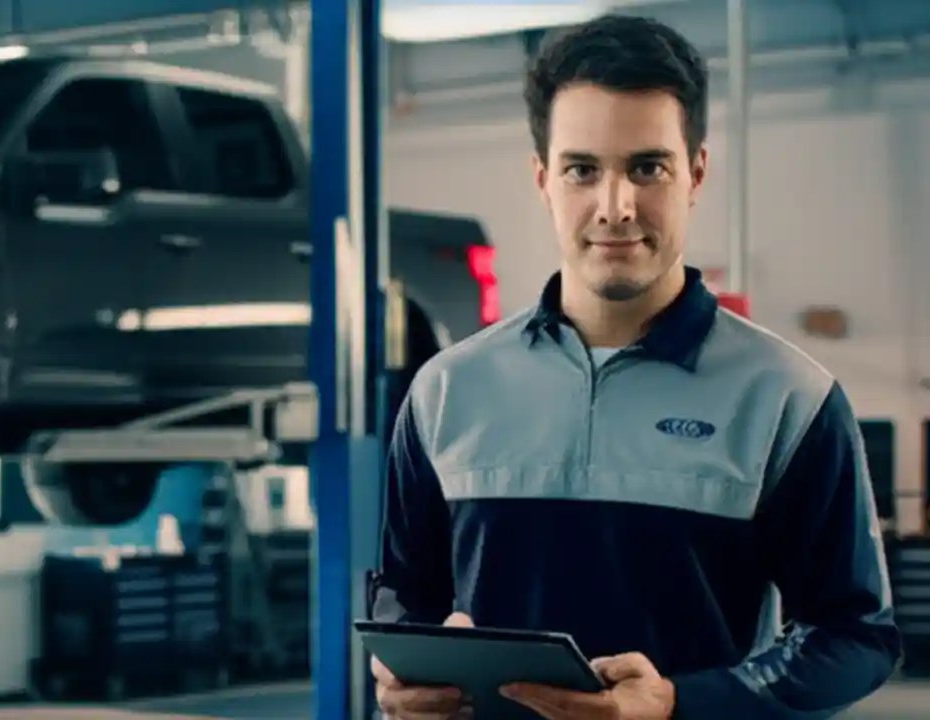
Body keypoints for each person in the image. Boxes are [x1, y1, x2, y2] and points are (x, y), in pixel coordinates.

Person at [369, 13, 902, 720]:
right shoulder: (444, 391)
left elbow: (854, 637)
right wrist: (405, 671)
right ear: (542, 179)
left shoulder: (789, 399)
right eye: (582, 169)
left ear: (696, 173)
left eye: (647, 167)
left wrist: (683, 704)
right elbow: (406, 594)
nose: (615, 207)